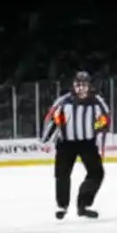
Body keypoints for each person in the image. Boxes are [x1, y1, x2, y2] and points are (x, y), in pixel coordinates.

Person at [41, 71, 110, 219]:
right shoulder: (64, 102)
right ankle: (62, 206)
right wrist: (46, 139)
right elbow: (54, 120)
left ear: (89, 86)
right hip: (66, 143)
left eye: (84, 85)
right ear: (73, 86)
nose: (81, 89)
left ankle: (83, 204)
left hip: (87, 143)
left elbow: (105, 119)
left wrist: (96, 127)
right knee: (62, 174)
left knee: (97, 173)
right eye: (78, 85)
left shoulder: (97, 102)